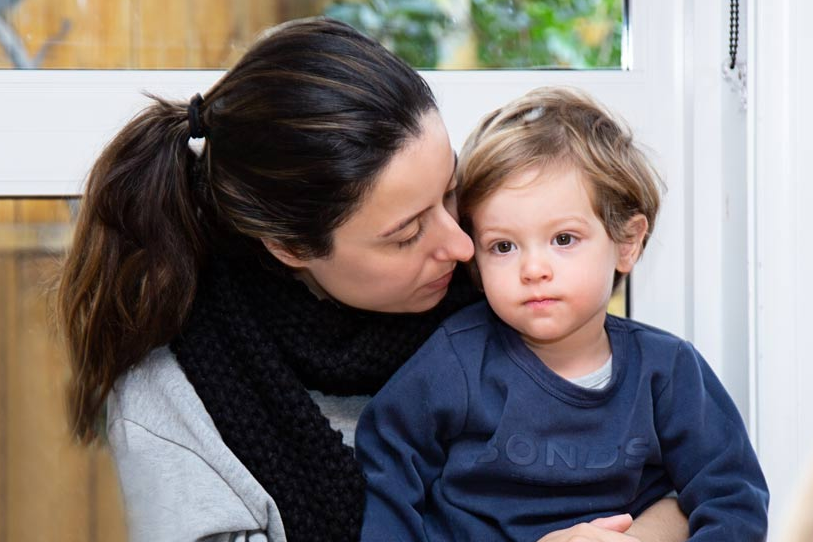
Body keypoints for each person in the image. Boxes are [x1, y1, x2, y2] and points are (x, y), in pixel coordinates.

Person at [56, 18, 690, 542]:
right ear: (291, 247)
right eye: (407, 233)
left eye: (451, 193)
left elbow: (689, 480)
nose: (462, 245)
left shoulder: (514, 302)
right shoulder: (175, 402)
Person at [356, 87, 769, 541]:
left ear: (626, 243)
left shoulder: (668, 371)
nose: (533, 269)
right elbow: (388, 460)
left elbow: (733, 496)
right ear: (476, 259)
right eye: (504, 246)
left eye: (564, 239)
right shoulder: (455, 362)